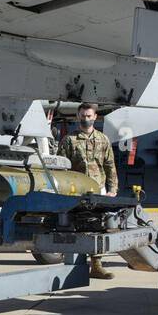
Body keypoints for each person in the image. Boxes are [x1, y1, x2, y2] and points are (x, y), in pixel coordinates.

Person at [57, 102, 118, 280]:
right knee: (76, 225)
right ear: (78, 117)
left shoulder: (103, 139)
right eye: (83, 116)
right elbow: (62, 167)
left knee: (98, 225)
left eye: (89, 116)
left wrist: (113, 190)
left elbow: (110, 165)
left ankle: (97, 265)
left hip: (98, 188)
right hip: (77, 189)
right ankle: (74, 265)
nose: (86, 119)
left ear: (95, 117)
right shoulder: (69, 140)